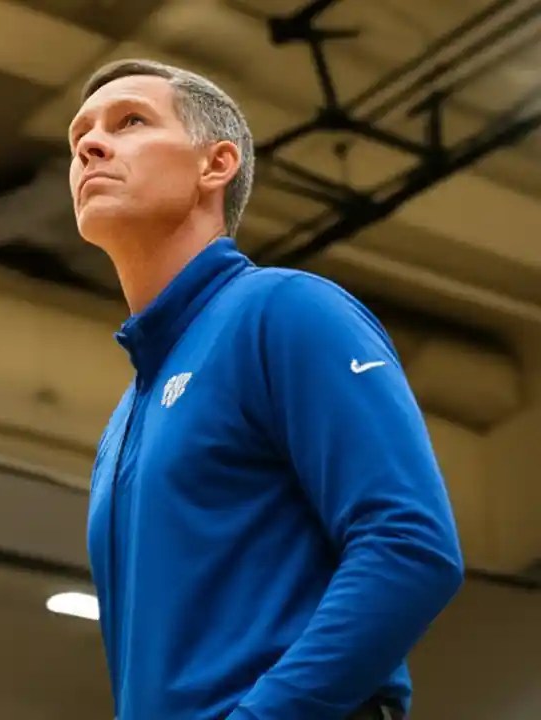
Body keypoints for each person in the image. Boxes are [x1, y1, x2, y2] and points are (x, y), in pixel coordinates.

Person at [71, 59, 465, 720]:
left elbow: (410, 545)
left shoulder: (287, 310)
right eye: (80, 134)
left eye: (130, 121)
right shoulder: (125, 418)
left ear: (216, 164)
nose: (90, 145)